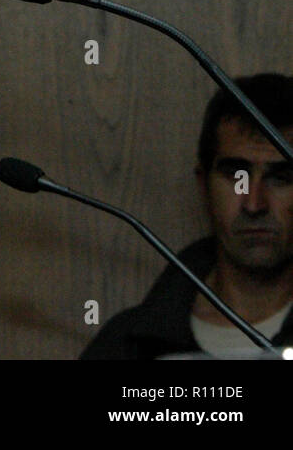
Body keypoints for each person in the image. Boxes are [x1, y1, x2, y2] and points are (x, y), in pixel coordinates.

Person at [82, 73, 293, 358]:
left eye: (281, 177)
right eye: (235, 174)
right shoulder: (128, 345)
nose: (254, 204)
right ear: (203, 185)